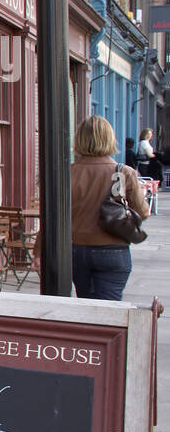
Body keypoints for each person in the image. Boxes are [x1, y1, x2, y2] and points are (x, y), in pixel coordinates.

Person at [71, 115, 149, 301]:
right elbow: (143, 212)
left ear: (79, 139)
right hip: (113, 249)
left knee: (85, 304)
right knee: (109, 308)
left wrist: (39, 251)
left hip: (77, 249)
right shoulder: (124, 172)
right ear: (110, 139)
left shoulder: (67, 172)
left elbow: (50, 216)